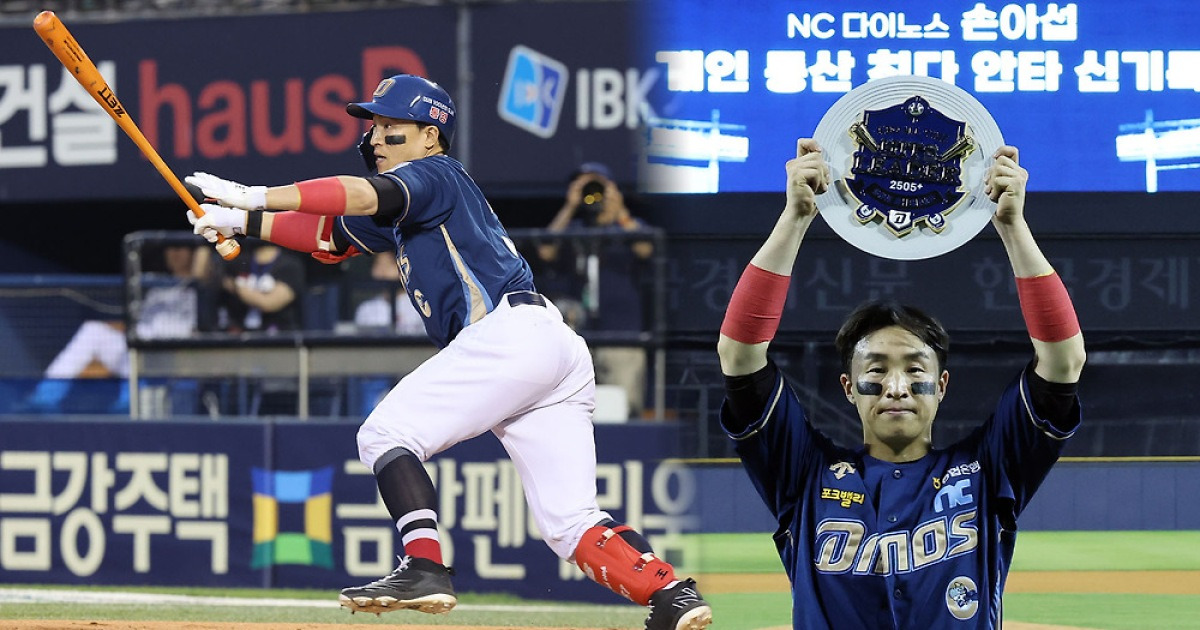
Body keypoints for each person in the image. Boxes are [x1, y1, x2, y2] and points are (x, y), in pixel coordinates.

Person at [184, 74, 711, 630]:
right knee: (569, 522)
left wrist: (255, 195)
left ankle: (424, 565)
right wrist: (239, 220)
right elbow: (329, 236)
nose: (376, 138)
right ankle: (670, 594)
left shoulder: (435, 174)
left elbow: (362, 194)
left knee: (385, 433)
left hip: (509, 336)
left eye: (391, 126)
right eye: (374, 127)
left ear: (430, 135)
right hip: (548, 348)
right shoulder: (411, 208)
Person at [715, 140, 1086, 629]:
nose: (896, 386)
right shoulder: (804, 471)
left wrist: (1013, 228)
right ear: (848, 387)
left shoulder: (988, 468)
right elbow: (739, 355)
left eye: (915, 370)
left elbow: (1064, 360)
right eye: (875, 371)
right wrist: (796, 218)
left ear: (942, 384)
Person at [23, 243, 201, 413]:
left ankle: (128, 403)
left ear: (193, 253)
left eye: (180, 249)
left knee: (140, 347)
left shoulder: (202, 288)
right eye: (171, 250)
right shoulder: (159, 288)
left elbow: (204, 272)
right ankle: (43, 400)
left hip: (171, 356)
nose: (175, 255)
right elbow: (140, 324)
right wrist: (114, 328)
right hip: (138, 350)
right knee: (93, 330)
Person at [538, 162, 655, 418]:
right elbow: (546, 251)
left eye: (597, 185)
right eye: (583, 185)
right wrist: (570, 206)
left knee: (627, 406)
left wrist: (620, 211)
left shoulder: (627, 226)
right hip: (578, 332)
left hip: (622, 333)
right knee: (569, 405)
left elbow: (646, 248)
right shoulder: (574, 229)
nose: (591, 191)